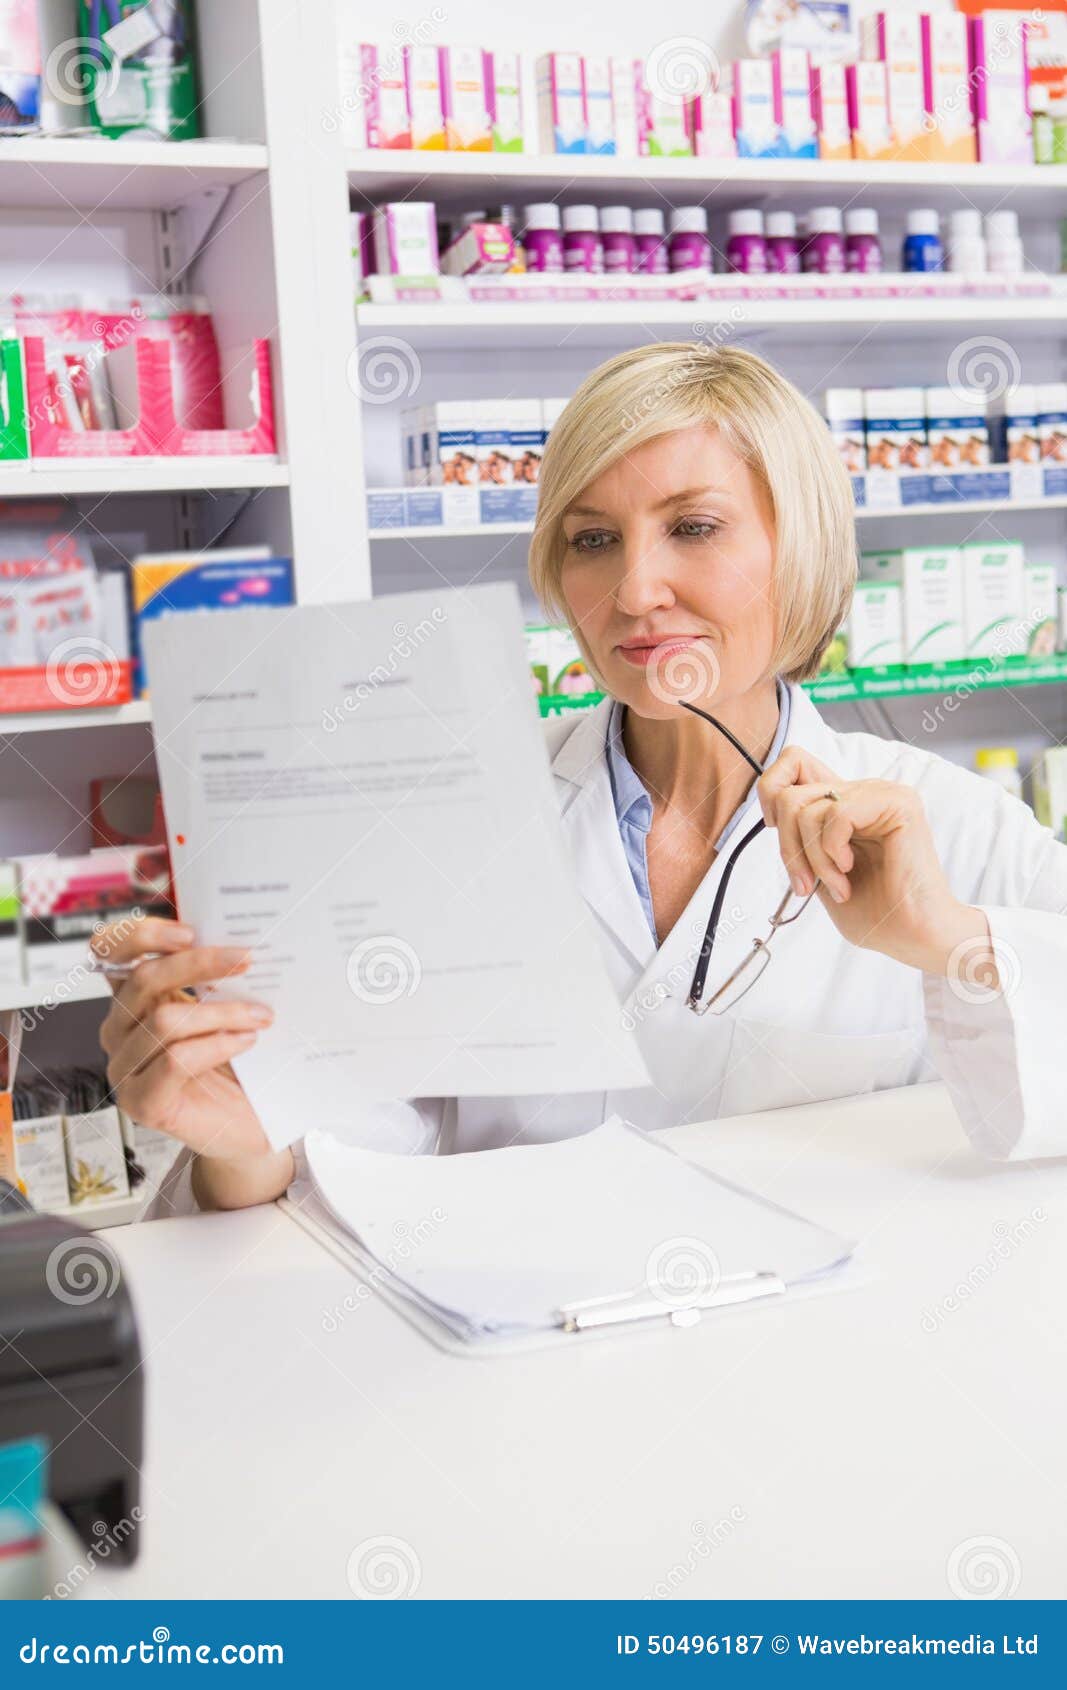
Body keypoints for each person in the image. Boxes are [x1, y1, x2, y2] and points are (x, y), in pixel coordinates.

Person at [96, 342, 1067, 1216]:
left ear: (799, 546)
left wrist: (952, 940)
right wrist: (245, 1139)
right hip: (514, 1338)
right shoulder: (452, 810)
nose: (634, 592)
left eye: (693, 527)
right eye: (591, 539)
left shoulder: (947, 824)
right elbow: (369, 1142)